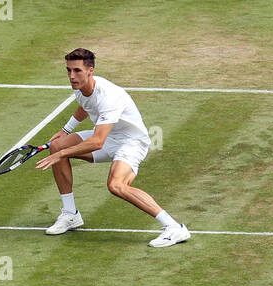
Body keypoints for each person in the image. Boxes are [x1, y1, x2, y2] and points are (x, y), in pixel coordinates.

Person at [34, 48, 191, 248]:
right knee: (57, 145)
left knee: (116, 185)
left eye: (77, 71)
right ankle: (70, 214)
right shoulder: (80, 87)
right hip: (109, 135)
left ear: (90, 70)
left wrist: (61, 154)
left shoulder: (108, 96)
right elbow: (85, 106)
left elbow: (97, 141)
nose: (72, 76)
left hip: (130, 142)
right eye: (68, 71)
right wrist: (65, 130)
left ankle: (174, 227)